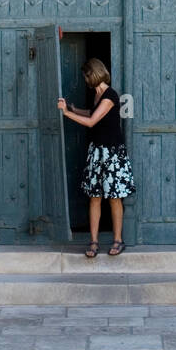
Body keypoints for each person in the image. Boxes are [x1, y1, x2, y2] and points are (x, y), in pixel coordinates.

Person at [57, 58, 135, 258]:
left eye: (86, 75)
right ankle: (94, 242)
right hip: (97, 152)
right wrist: (75, 110)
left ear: (94, 74)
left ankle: (118, 240)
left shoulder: (109, 95)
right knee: (95, 197)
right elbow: (93, 112)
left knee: (115, 198)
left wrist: (66, 113)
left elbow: (92, 121)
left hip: (112, 153)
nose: (85, 79)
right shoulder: (97, 95)